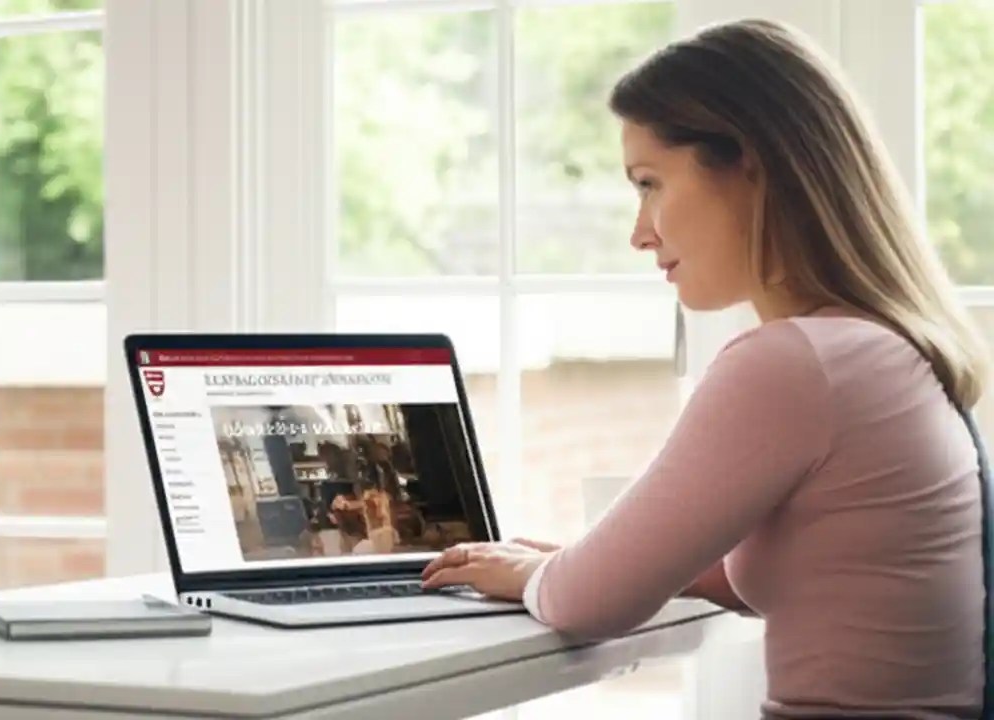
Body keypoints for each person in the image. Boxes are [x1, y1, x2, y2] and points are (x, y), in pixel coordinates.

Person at [422, 18, 988, 719]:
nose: (639, 231)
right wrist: (578, 560)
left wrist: (553, 576)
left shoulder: (793, 365)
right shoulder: (879, 350)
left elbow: (588, 603)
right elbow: (830, 567)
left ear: (749, 161)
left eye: (650, 183)